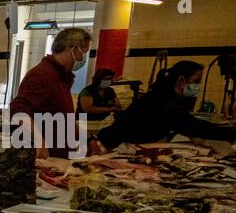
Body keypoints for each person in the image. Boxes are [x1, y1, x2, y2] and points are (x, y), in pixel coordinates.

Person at [96, 60, 236, 150]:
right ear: (181, 80)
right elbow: (197, 128)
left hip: (120, 143)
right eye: (196, 81)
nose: (197, 86)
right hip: (110, 146)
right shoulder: (165, 103)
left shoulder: (163, 96)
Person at [9, 27, 90, 159]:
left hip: (59, 156)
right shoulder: (42, 75)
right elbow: (18, 110)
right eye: (83, 53)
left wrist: (87, 139)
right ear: (73, 49)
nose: (83, 59)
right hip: (43, 157)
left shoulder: (62, 77)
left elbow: (64, 118)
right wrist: (39, 141)